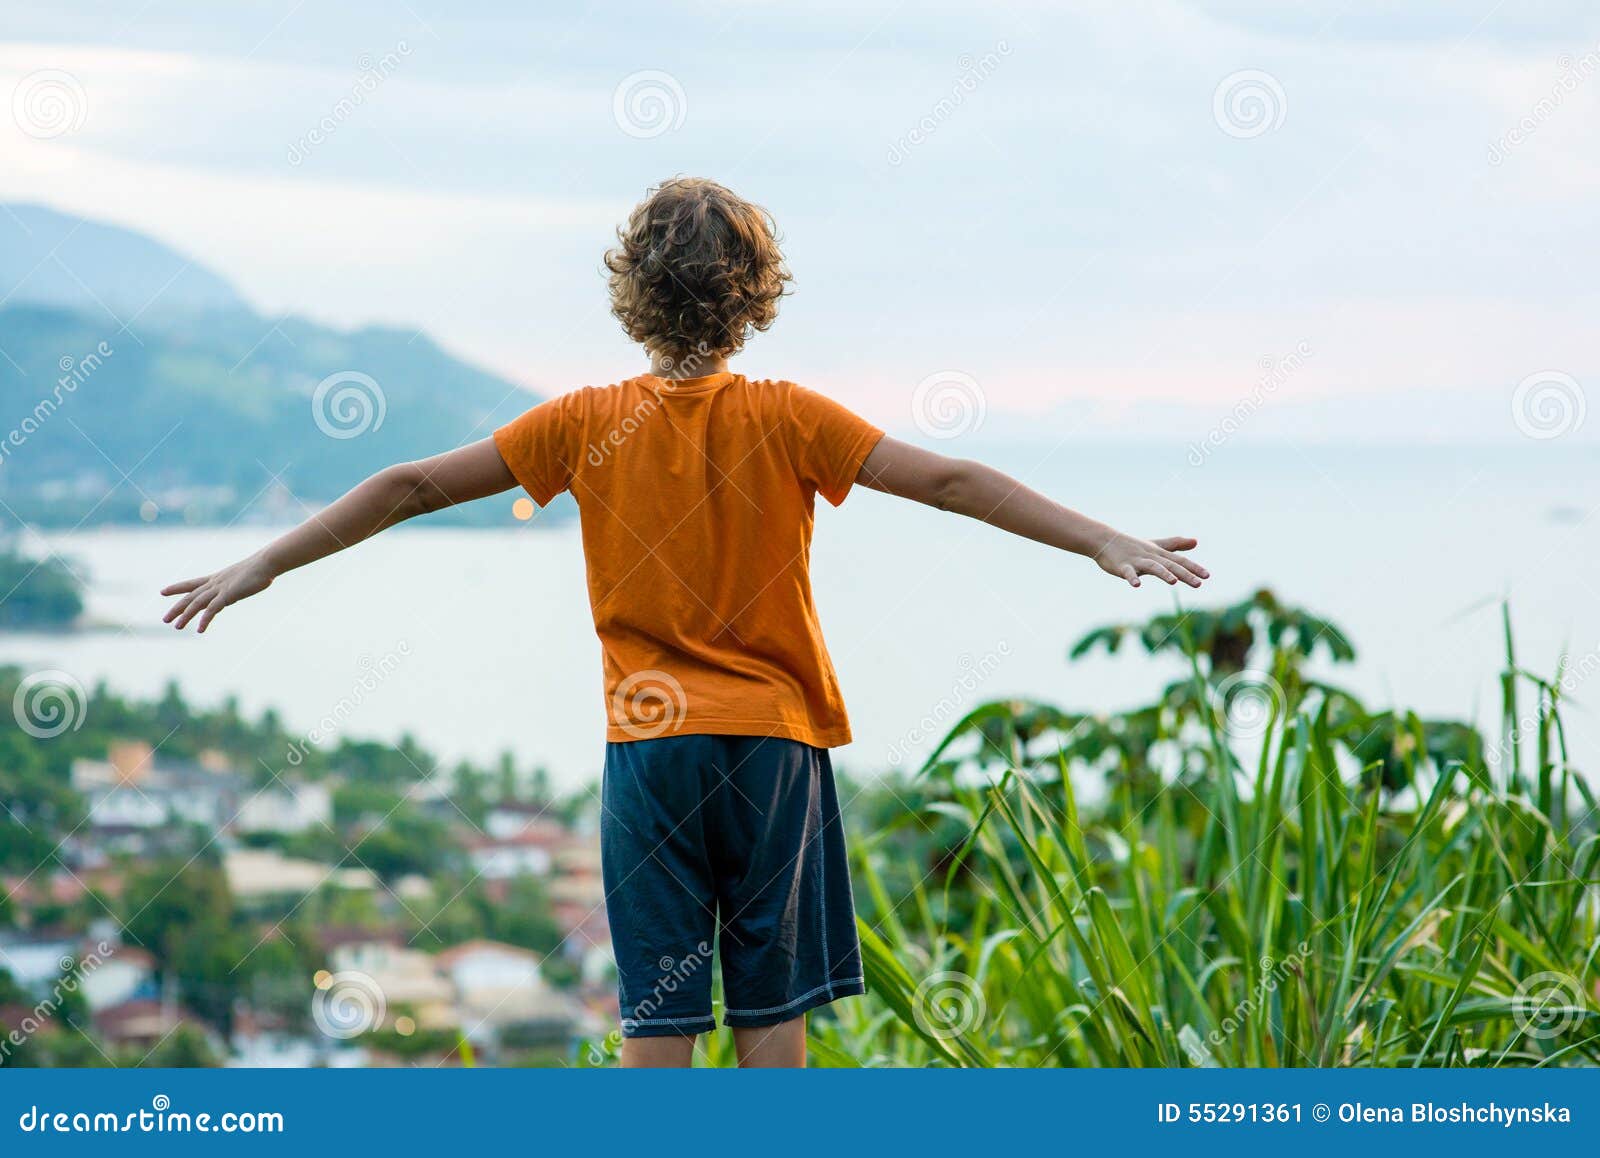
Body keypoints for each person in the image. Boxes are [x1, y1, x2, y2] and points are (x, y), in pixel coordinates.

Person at [161, 177, 1208, 1068]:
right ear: (754, 297)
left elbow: (405, 485)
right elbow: (948, 479)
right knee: (770, 1024)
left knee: (656, 1026)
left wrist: (262, 562)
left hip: (649, 747)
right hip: (768, 746)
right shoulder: (790, 416)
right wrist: (1101, 540)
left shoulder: (580, 423)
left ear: (631, 293)